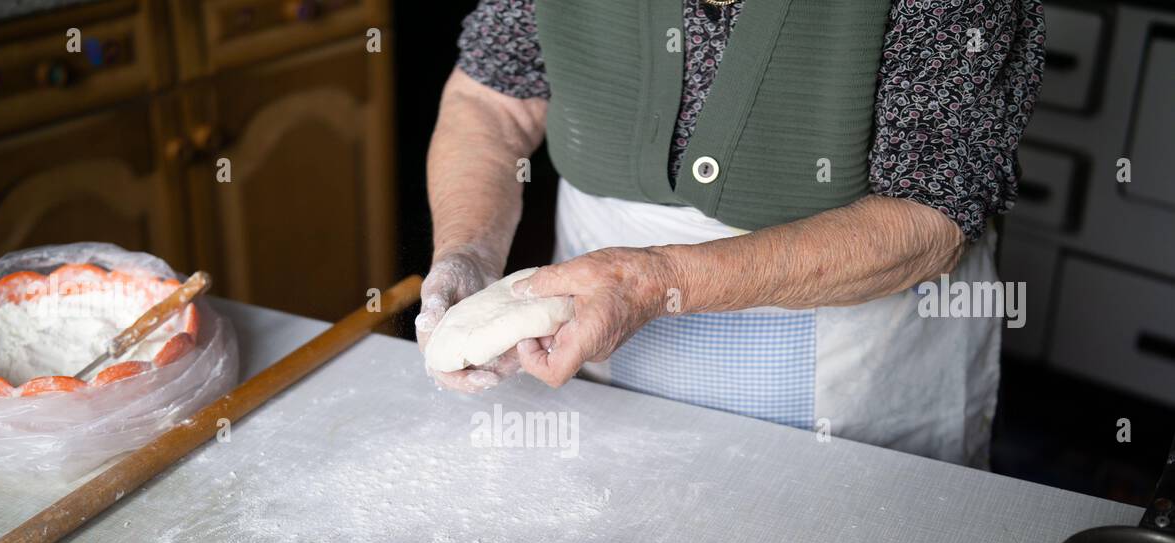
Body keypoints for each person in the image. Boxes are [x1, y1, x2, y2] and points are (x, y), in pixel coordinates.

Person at [415, 0, 1045, 467]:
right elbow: (491, 103)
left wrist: (655, 282)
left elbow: (925, 216)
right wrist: (468, 249)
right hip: (599, 349)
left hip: (852, 378)